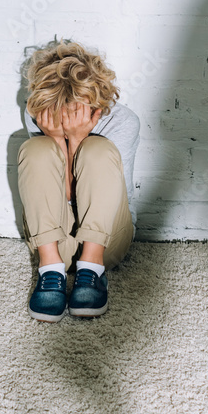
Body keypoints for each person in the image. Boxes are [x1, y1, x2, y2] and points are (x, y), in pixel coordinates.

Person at [17, 38, 140, 322]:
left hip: (108, 240)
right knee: (36, 149)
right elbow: (54, 195)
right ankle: (50, 271)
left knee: (98, 149)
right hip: (51, 240)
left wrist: (79, 140)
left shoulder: (123, 122)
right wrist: (58, 140)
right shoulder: (39, 113)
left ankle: (91, 269)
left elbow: (113, 199)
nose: (66, 116)